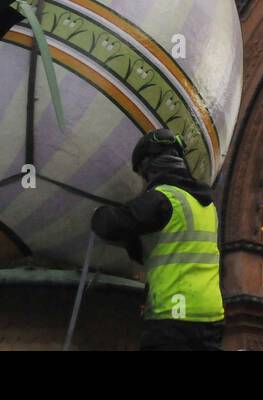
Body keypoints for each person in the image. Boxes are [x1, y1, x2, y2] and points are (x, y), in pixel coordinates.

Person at [91, 129, 224, 351]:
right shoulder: (207, 206)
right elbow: (170, 248)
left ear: (149, 167)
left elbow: (112, 224)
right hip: (211, 317)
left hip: (173, 318)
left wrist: (98, 213)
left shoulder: (164, 198)